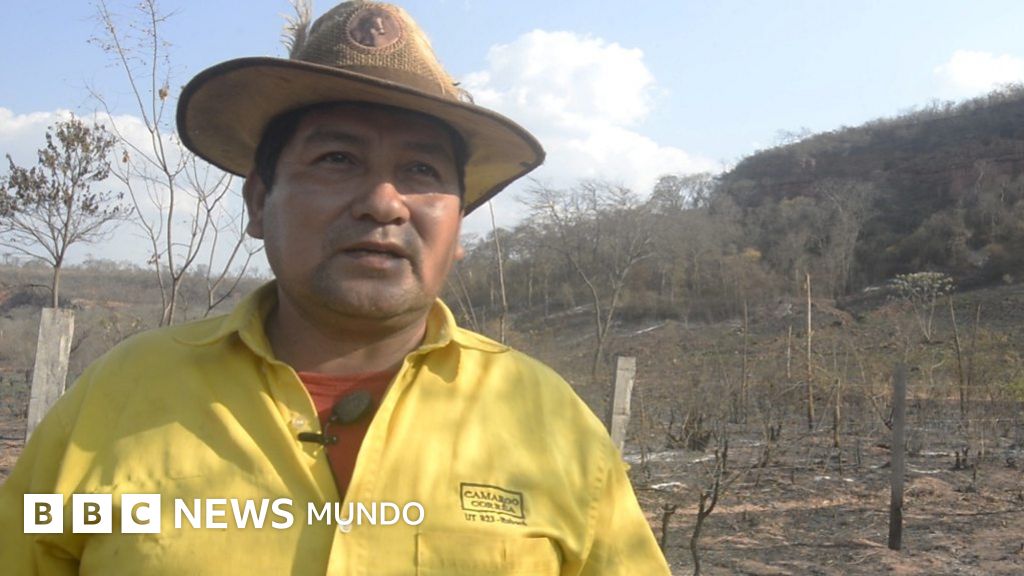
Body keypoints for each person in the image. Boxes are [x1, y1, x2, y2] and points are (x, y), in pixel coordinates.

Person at [0, 1, 672, 574]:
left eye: (420, 168)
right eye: (337, 159)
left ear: (458, 228)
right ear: (259, 202)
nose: (384, 201)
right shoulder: (119, 399)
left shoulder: (547, 423)